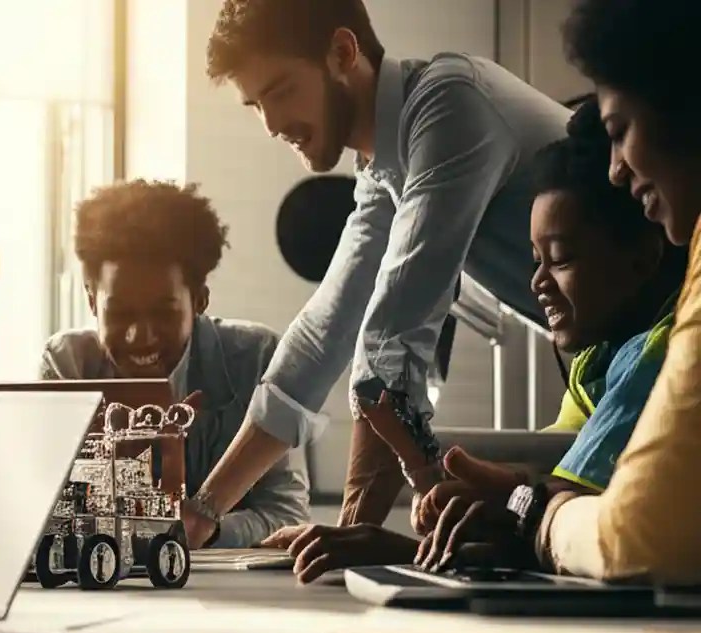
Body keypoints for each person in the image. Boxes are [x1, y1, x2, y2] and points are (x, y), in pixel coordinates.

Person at [187, 0, 571, 548]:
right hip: (616, 366)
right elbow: (324, 335)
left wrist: (354, 535)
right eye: (254, 105)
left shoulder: (449, 102)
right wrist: (203, 511)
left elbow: (392, 336)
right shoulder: (382, 165)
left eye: (279, 91)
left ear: (343, 52)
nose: (271, 125)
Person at [266, 102, 687, 581]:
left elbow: (551, 514)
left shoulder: (653, 356)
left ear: (641, 259)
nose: (536, 284)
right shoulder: (597, 361)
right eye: (535, 261)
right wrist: (459, 491)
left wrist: (400, 549)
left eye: (562, 259)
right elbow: (540, 489)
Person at [420, 0, 701, 584]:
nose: (618, 171)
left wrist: (534, 512)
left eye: (621, 131)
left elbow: (635, 535)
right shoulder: (597, 364)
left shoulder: (652, 349)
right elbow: (559, 466)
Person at [40, 180, 309, 548]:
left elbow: (287, 515)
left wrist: (207, 529)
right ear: (91, 300)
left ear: (200, 300)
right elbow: (47, 505)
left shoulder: (255, 358)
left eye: (163, 313)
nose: (140, 336)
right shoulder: (68, 365)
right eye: (119, 312)